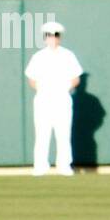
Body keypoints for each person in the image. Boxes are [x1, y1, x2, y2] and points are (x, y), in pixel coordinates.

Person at [24, 21, 82, 176]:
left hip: (62, 99)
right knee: (42, 133)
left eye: (56, 35)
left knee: (63, 134)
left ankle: (64, 166)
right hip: (43, 100)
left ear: (59, 37)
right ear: (45, 38)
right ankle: (40, 166)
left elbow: (76, 78)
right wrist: (41, 89)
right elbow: (31, 78)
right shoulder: (38, 57)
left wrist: (65, 88)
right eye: (49, 35)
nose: (52, 39)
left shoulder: (68, 55)